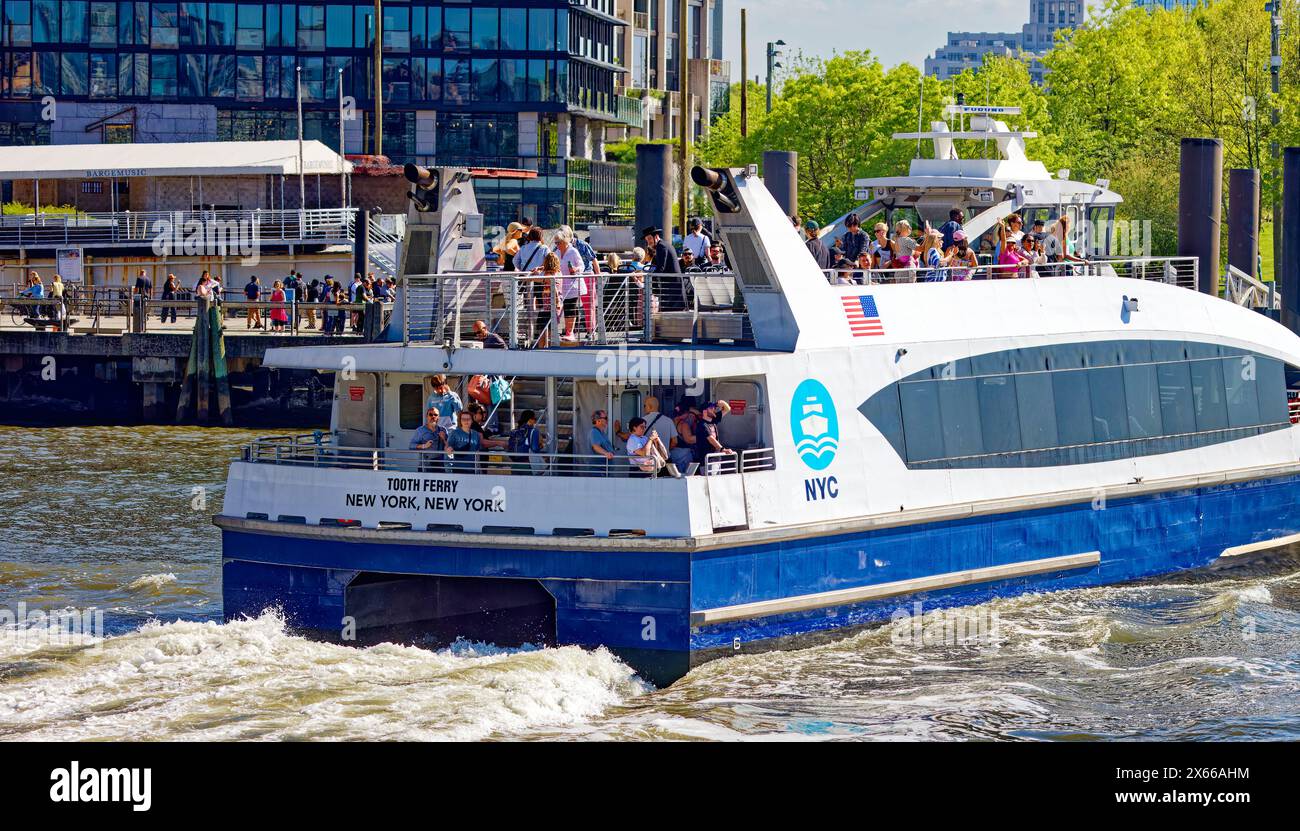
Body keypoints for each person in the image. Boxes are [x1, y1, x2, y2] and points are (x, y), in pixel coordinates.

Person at [553, 228, 587, 341]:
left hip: (573, 284)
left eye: (558, 242)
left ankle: (570, 332)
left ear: (564, 241)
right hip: (562, 285)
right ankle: (565, 331)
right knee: (563, 308)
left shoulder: (573, 251)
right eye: (556, 243)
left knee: (570, 308)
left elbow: (582, 266)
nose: (557, 245)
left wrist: (575, 269)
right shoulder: (556, 252)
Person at [695, 401, 734, 472]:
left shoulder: (714, 420)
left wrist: (718, 403)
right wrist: (722, 449)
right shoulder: (702, 425)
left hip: (716, 459)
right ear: (704, 411)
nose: (714, 409)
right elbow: (711, 439)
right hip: (707, 461)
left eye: (714, 407)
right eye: (711, 407)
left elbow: (727, 408)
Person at [410, 408, 447, 473]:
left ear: (438, 417)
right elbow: (411, 446)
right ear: (426, 416)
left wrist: (444, 439)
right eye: (430, 414)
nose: (433, 416)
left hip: (440, 464)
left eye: (435, 415)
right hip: (425, 465)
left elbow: (449, 447)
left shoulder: (443, 430)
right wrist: (424, 446)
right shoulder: (420, 430)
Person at [589, 409, 617, 474]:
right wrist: (606, 453)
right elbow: (596, 446)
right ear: (598, 420)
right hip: (598, 470)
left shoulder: (602, 433)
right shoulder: (594, 432)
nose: (607, 420)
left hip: (605, 470)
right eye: (605, 418)